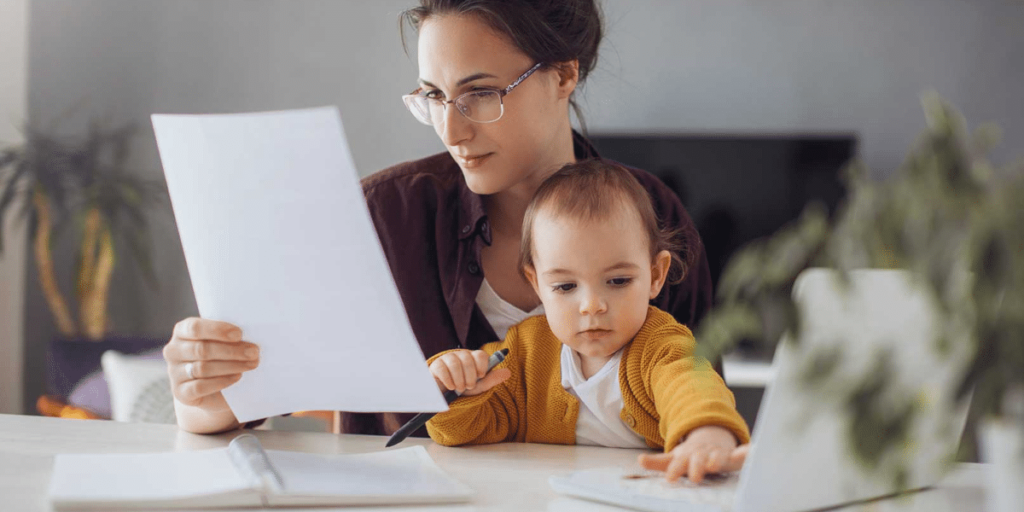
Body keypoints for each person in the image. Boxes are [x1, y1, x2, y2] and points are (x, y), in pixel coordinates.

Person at [163, 0, 715, 439]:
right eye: (433, 97)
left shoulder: (655, 216)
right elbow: (243, 403)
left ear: (565, 74)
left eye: (479, 94)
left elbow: (700, 399)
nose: (451, 132)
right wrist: (203, 396)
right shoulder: (384, 217)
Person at [425, 160, 749, 483]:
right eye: (566, 286)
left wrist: (706, 436)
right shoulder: (523, 353)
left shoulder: (662, 347)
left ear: (655, 275)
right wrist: (455, 387)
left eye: (618, 281)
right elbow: (462, 432)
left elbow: (693, 391)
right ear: (537, 284)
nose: (592, 306)